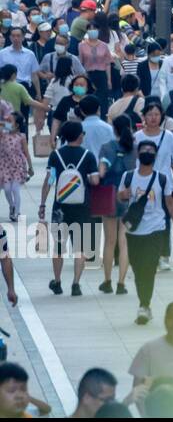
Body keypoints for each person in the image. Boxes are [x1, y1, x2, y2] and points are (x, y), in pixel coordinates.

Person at [120, 138, 173, 324]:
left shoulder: (162, 179)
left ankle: (144, 305)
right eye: (144, 149)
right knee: (138, 269)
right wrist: (124, 194)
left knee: (149, 268)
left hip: (156, 229)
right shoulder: (129, 176)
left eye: (150, 150)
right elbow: (120, 196)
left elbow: (170, 204)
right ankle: (144, 302)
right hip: (134, 231)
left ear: (155, 157)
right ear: (138, 154)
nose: (147, 152)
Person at [39, 120, 101, 297]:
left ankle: (57, 282)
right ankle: (76, 283)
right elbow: (95, 181)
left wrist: (43, 204)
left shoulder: (55, 155)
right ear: (80, 135)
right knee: (80, 247)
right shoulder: (88, 156)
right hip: (82, 207)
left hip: (60, 207)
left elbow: (49, 181)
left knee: (59, 246)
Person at [94, 113, 134, 294]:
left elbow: (101, 172)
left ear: (114, 129)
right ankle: (122, 283)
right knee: (124, 241)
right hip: (128, 195)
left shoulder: (106, 148)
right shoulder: (135, 148)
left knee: (109, 241)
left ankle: (107, 280)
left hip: (109, 196)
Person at [0, 101, 31, 223]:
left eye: (10, 121)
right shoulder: (2, 135)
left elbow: (26, 152)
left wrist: (30, 167)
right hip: (5, 166)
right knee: (7, 189)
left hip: (18, 165)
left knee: (15, 189)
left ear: (17, 125)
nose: (7, 123)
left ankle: (17, 212)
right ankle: (11, 206)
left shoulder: (21, 137)